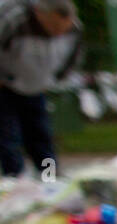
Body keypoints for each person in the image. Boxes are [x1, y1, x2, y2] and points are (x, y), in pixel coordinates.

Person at [0, 0, 81, 177]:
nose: (56, 34)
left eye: (62, 31)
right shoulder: (13, 19)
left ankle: (50, 177)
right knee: (8, 137)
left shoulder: (74, 28)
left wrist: (52, 79)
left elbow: (72, 59)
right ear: (39, 13)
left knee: (42, 137)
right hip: (5, 86)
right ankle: (15, 180)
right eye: (53, 28)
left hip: (37, 87)